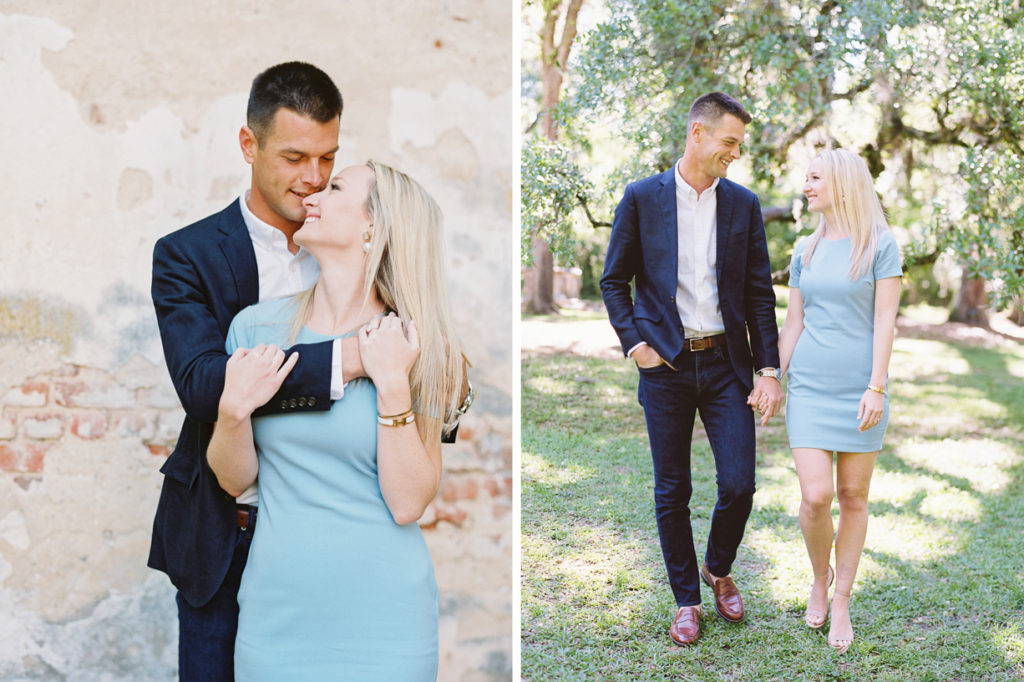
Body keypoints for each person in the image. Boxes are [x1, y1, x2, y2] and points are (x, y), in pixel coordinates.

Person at [148, 63, 469, 680]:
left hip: (374, 593)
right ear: (250, 145)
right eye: (296, 157)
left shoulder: (404, 332)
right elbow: (205, 389)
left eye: (329, 162)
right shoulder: (197, 266)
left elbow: (411, 490)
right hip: (232, 544)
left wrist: (408, 370)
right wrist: (354, 360)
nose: (314, 182)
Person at [206, 160, 464, 679]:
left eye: (335, 187)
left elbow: (408, 502)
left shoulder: (422, 346)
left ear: (375, 225)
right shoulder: (256, 327)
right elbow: (235, 479)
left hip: (385, 620)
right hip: (276, 615)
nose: (312, 196)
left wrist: (392, 383)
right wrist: (233, 411)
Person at [600, 92, 783, 646]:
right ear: (697, 134)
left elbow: (758, 295)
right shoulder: (640, 197)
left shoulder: (744, 205)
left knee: (740, 484)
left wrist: (769, 369)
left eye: (739, 145)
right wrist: (637, 346)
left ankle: (719, 566)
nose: (735, 153)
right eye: (729, 141)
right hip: (666, 368)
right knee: (671, 490)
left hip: (728, 364)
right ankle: (687, 599)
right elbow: (614, 281)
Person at [778, 148, 902, 654]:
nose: (806, 186)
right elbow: (794, 322)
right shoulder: (803, 250)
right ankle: (818, 577)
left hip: (860, 391)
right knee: (815, 497)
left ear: (843, 183)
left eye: (814, 178)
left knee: (853, 496)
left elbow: (884, 322)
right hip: (809, 388)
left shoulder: (880, 244)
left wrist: (876, 386)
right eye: (805, 178)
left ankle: (843, 598)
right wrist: (773, 377)